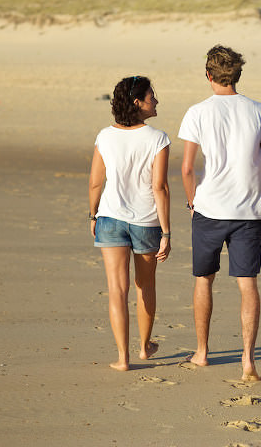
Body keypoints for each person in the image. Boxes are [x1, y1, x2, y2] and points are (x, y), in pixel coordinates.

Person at [179, 45, 261, 382]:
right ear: (237, 74)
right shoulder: (258, 110)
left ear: (208, 75)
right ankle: (248, 358)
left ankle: (202, 351)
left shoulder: (197, 112)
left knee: (204, 279)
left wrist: (192, 202)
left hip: (209, 208)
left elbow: (187, 168)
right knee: (247, 284)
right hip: (250, 210)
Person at [88, 76, 171, 371]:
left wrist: (92, 214)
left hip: (110, 218)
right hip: (146, 221)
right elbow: (159, 187)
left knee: (117, 290)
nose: (156, 100)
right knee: (145, 286)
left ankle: (123, 358)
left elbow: (95, 182)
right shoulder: (157, 138)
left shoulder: (105, 136)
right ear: (137, 102)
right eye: (151, 96)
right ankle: (144, 347)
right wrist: (166, 232)